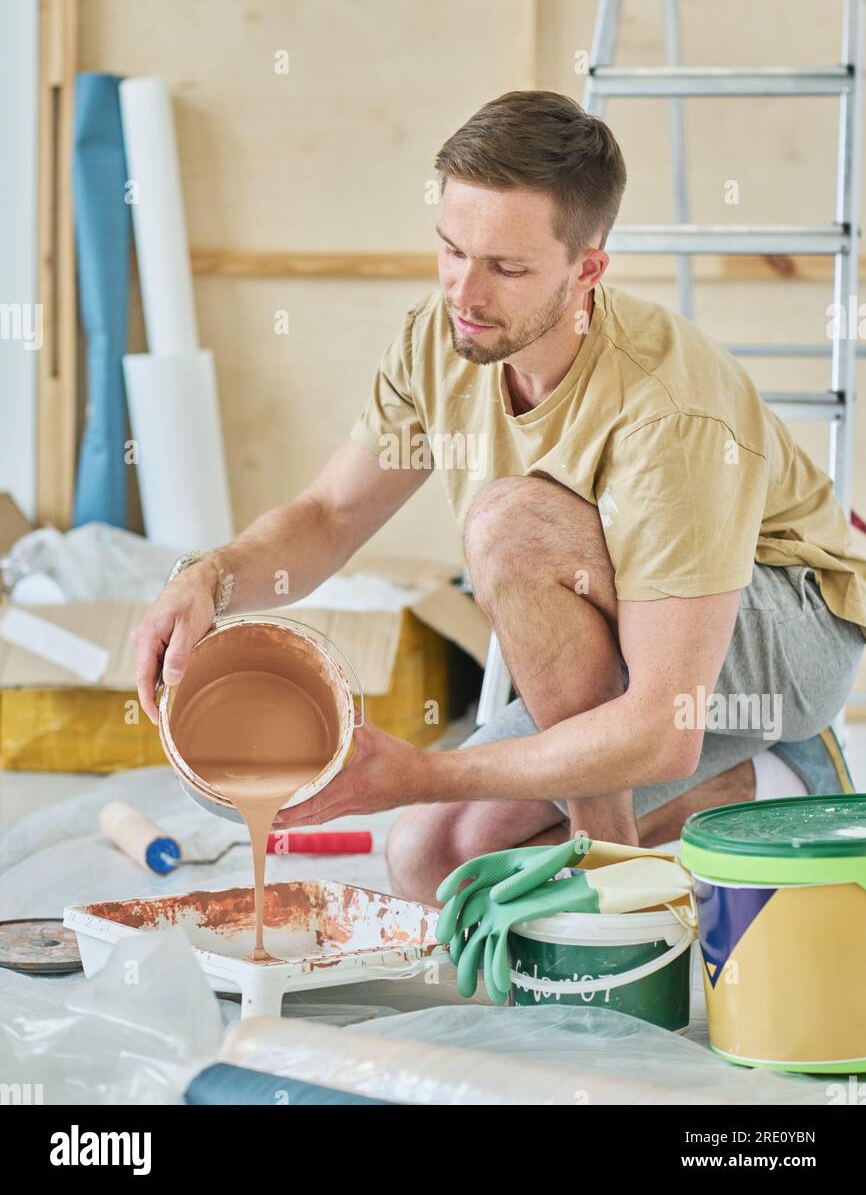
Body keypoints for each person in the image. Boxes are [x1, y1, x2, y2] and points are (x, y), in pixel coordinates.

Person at [134, 90, 866, 906]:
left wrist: (422, 770)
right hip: (631, 612)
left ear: (587, 270)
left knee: (510, 525)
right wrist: (209, 577)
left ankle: (622, 879)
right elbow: (329, 517)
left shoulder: (671, 411)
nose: (465, 294)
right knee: (433, 861)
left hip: (781, 623)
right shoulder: (442, 338)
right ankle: (764, 788)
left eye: (506, 269)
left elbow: (662, 726)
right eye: (452, 251)